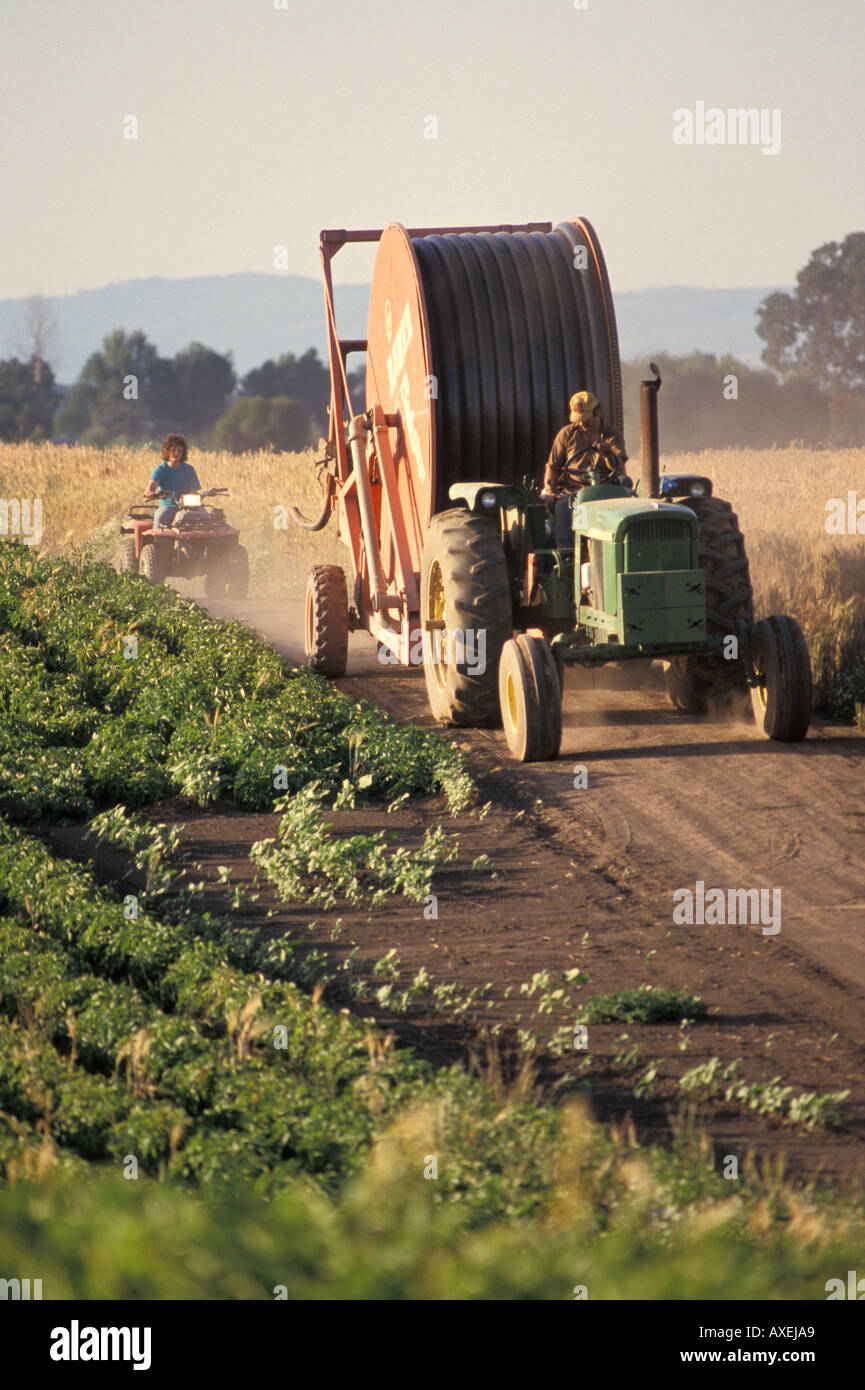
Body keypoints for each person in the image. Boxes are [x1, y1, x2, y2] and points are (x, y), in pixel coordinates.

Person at [540, 391, 628, 548]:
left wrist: (607, 453)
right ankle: (567, 557)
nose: (581, 423)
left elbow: (620, 467)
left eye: (585, 418)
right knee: (562, 508)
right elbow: (552, 467)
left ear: (597, 412)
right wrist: (549, 490)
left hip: (606, 493)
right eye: (578, 419)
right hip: (573, 494)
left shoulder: (612, 435)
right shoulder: (566, 434)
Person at [145, 435, 201, 530]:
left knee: (206, 517)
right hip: (169, 506)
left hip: (188, 507)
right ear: (167, 451)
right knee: (160, 517)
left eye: (180, 450)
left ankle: (214, 542)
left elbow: (194, 489)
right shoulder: (161, 470)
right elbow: (152, 485)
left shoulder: (189, 469)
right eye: (173, 450)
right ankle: (158, 544)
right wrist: (149, 492)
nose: (176, 453)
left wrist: (192, 496)